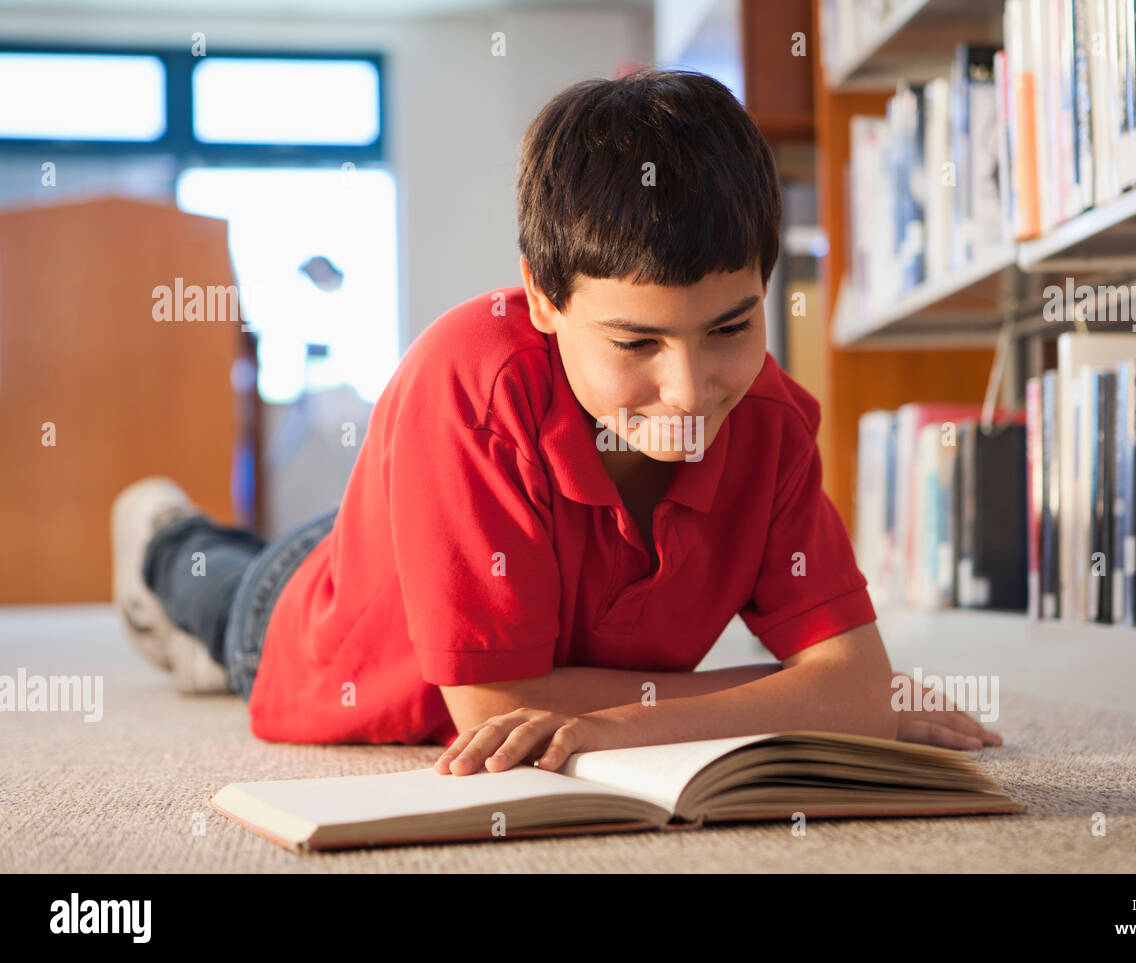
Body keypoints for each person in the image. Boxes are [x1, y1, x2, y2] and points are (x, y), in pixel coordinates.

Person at [111, 67, 1001, 778]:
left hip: (448, 540)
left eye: (731, 326)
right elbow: (496, 712)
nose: (690, 392)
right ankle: (160, 533)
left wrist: (823, 692)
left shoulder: (768, 421)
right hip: (320, 612)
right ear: (540, 293)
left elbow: (855, 687)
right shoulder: (467, 380)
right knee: (210, 594)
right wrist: (786, 689)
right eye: (635, 340)